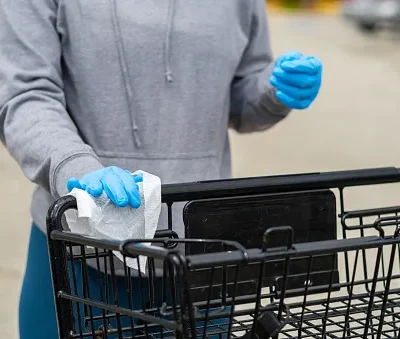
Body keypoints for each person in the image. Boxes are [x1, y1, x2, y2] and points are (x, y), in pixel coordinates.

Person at [0, 0, 322, 338]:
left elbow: (241, 96)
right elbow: (25, 93)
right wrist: (73, 166)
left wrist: (273, 90)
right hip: (81, 252)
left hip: (201, 255)